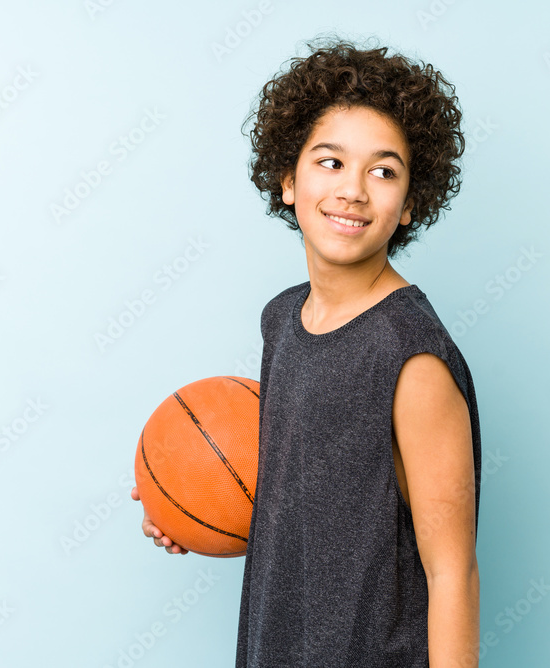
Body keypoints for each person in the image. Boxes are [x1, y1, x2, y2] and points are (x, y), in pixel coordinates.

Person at [132, 34, 482, 666]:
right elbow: (306, 492)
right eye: (330, 162)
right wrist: (189, 500)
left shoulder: (411, 355)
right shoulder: (282, 320)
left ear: (408, 206)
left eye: (384, 171)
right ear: (287, 181)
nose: (353, 190)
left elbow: (453, 571)